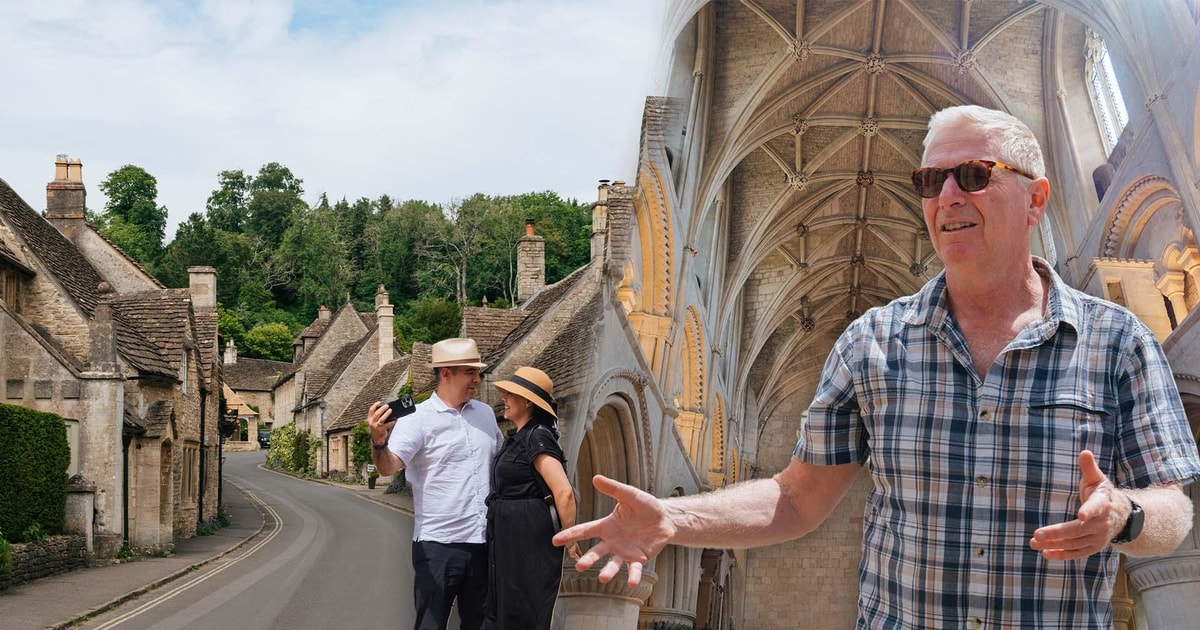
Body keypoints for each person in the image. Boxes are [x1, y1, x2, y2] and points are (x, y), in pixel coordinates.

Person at [553, 105, 1200, 628]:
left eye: (973, 175)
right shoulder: (872, 343)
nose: (947, 196)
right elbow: (796, 498)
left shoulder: (1118, 341)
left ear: (1036, 199)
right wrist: (676, 519)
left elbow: (1174, 510)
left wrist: (1126, 515)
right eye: (930, 182)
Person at [368, 337, 503, 630]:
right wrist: (378, 441)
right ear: (446, 374)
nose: (477, 379)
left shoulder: (485, 414)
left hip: (482, 543)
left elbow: (503, 465)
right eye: (470, 372)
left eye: (477, 372)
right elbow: (387, 467)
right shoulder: (417, 419)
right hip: (437, 546)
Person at [485, 366, 581, 630]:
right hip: (511, 538)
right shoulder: (521, 437)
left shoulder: (537, 436)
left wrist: (570, 538)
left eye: (511, 394)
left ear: (528, 401)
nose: (504, 398)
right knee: (505, 610)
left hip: (528, 539)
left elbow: (563, 492)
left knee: (523, 610)